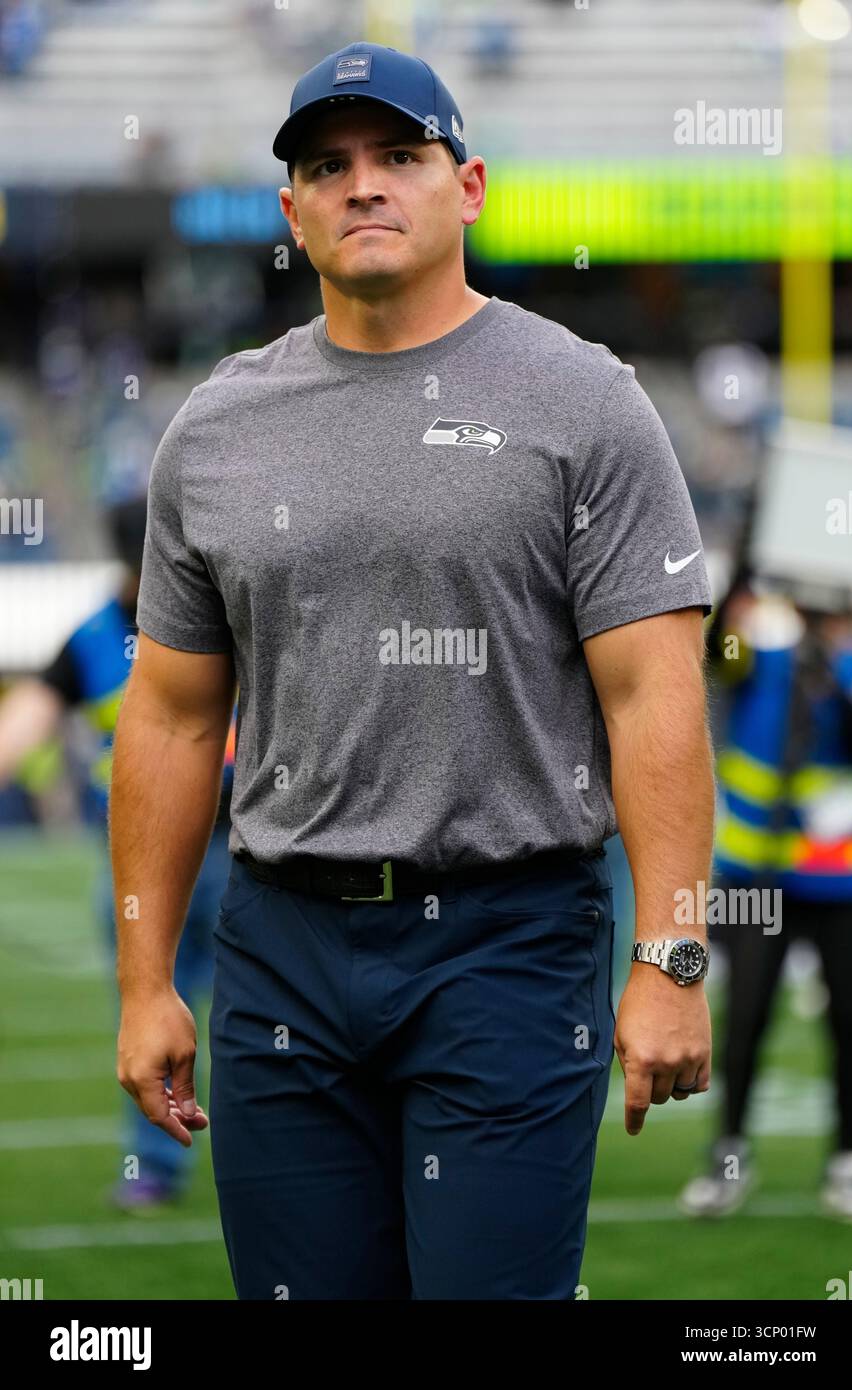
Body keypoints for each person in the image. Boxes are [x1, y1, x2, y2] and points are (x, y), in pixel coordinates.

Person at [111, 41, 716, 1300]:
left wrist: (672, 956)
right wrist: (144, 977)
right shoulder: (215, 428)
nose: (362, 185)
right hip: (280, 943)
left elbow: (652, 693)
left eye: (399, 155)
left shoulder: (582, 400)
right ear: (291, 212)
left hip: (507, 938)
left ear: (470, 185)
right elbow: (169, 717)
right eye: (327, 166)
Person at [0, 496, 235, 1210]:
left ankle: (259, 1169)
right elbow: (24, 725)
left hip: (242, 854)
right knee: (149, 1016)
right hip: (147, 864)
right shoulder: (97, 636)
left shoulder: (229, 617)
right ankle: (159, 1167)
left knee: (264, 1023)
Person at [680, 585, 852, 1220]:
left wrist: (837, 679)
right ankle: (728, 1156)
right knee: (745, 1021)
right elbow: (711, 651)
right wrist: (743, 578)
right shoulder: (755, 656)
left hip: (845, 886)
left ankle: (847, 1161)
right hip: (757, 883)